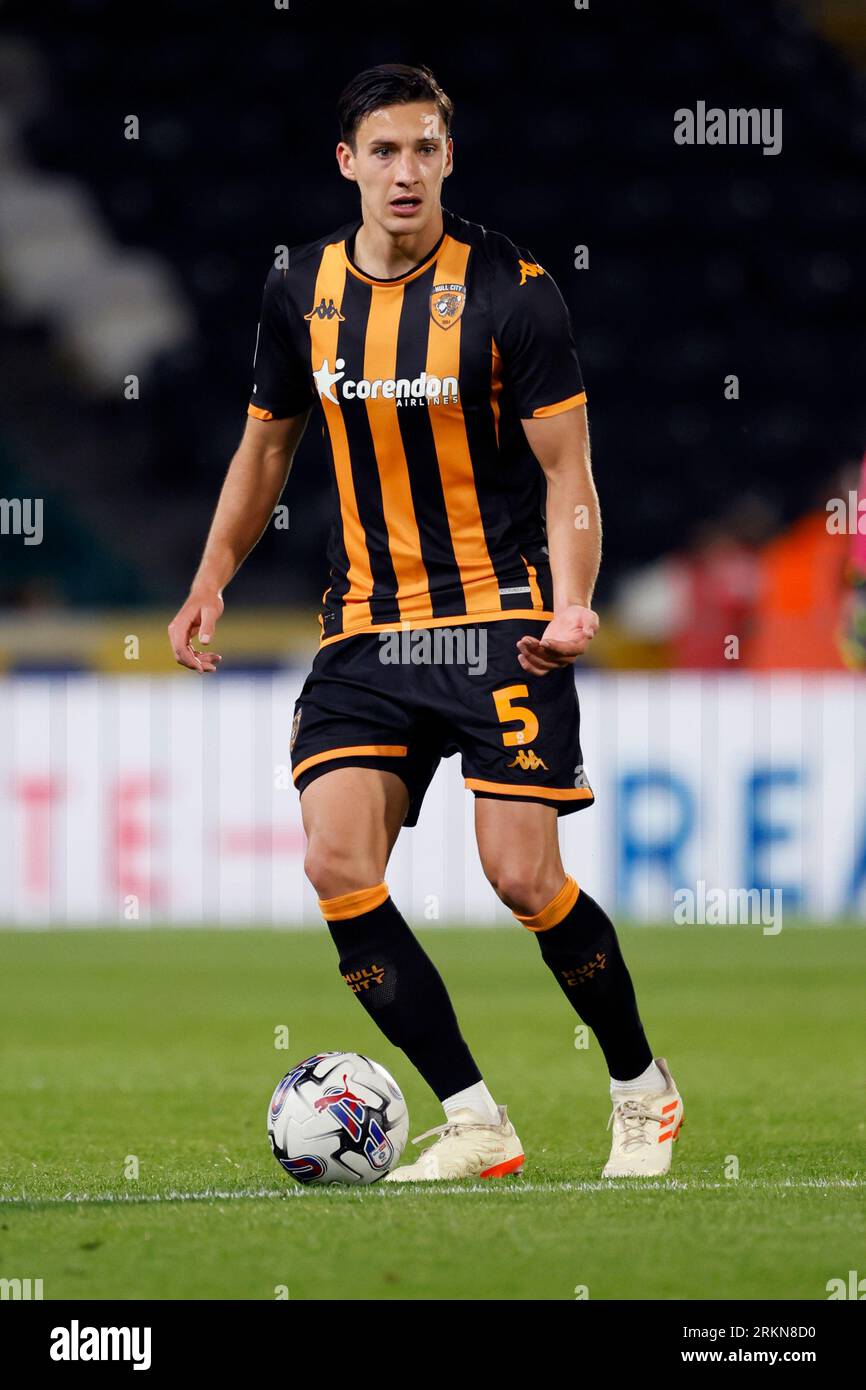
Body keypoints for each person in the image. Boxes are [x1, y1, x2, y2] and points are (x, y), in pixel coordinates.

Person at [168, 63, 683, 1180]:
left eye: (426, 150)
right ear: (346, 161)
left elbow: (568, 470)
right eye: (385, 151)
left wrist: (578, 595)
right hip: (361, 628)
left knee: (520, 877)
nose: (406, 172)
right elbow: (266, 446)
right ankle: (474, 1117)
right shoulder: (296, 288)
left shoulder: (513, 289)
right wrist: (211, 574)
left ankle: (641, 1089)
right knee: (335, 860)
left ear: (449, 157)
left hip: (499, 615)